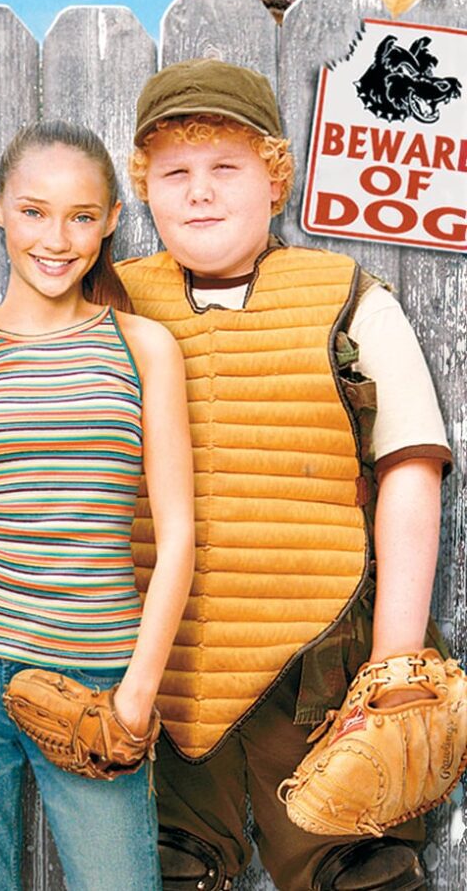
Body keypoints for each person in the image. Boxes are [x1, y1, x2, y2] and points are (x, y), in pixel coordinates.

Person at [120, 58, 454, 891]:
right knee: (168, 866)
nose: (200, 192)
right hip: (153, 659)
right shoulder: (106, 306)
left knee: (355, 864)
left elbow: (411, 467)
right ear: (145, 188)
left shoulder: (350, 300)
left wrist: (394, 663)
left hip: (321, 657)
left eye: (225, 168)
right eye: (175, 173)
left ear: (274, 180)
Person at [0, 121, 194, 890]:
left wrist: (136, 695)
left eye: (81, 216)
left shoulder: (144, 348)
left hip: (101, 677)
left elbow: (178, 537)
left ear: (112, 219)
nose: (56, 240)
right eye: (33, 211)